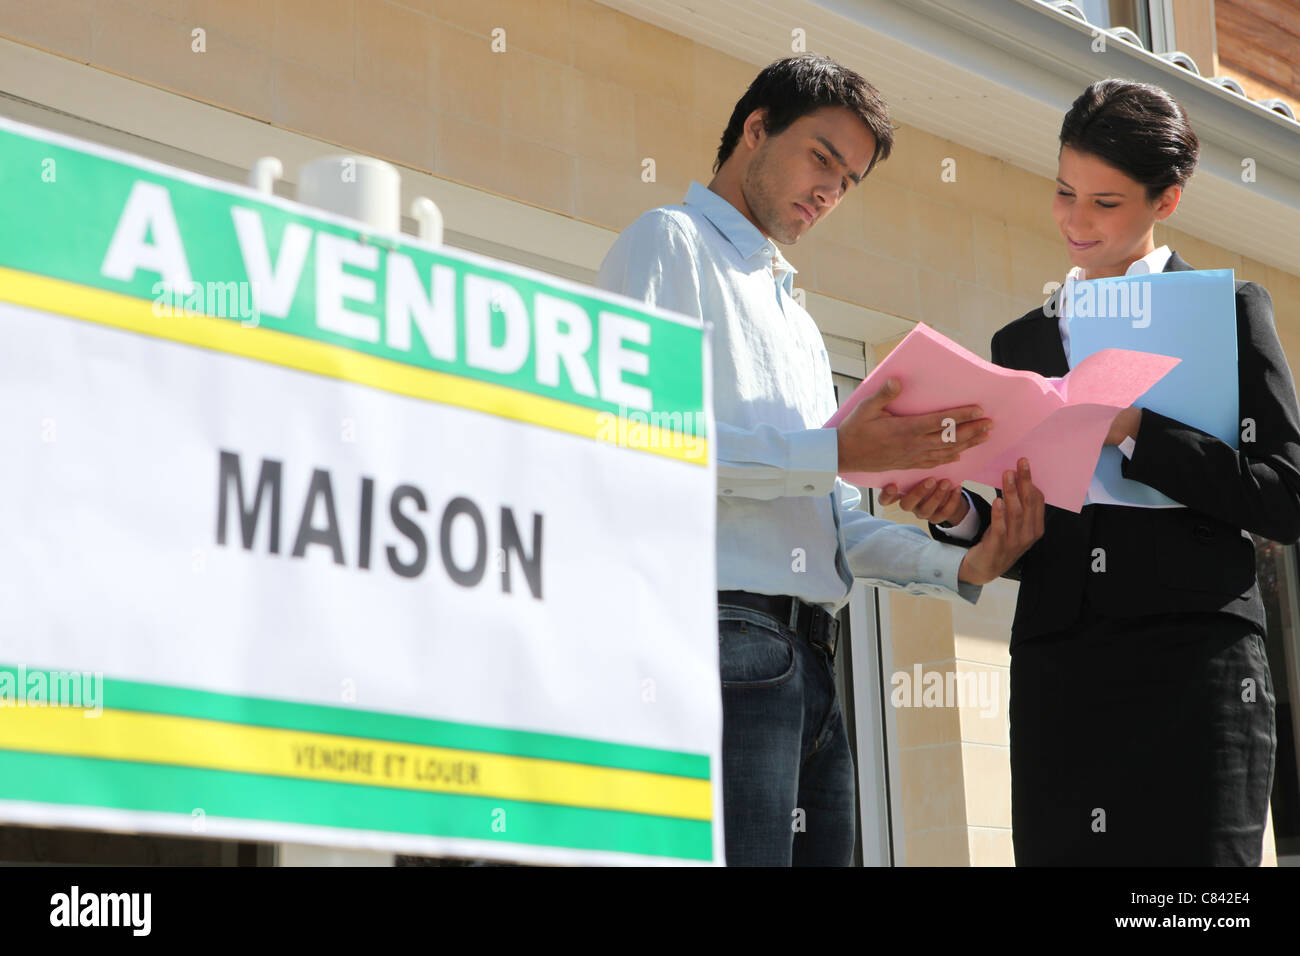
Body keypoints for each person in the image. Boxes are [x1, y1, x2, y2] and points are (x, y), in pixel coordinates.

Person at [595, 53, 1045, 866]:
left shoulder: (798, 321)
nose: (828, 192)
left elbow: (829, 518)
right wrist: (835, 447)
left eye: (848, 182)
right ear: (754, 129)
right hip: (719, 636)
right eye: (821, 158)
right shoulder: (669, 243)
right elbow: (645, 443)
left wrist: (964, 564)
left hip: (813, 663)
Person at [882, 78, 1300, 866]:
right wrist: (963, 515)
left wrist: (1141, 428)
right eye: (1065, 191)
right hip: (1062, 671)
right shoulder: (1024, 343)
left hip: (1198, 669)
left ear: (1165, 200)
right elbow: (1033, 530)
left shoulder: (1230, 310)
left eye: (1105, 203)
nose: (1076, 222)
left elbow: (1287, 497)